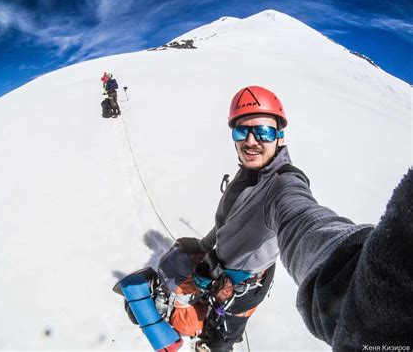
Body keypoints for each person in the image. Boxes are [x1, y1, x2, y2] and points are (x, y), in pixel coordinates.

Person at [176, 86, 413, 351]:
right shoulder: (246, 175)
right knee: (204, 307)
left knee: (218, 340)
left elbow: (303, 221)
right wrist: (204, 246)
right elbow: (226, 224)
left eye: (263, 132)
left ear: (280, 137)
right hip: (218, 271)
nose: (251, 141)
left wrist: (353, 280)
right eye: (242, 131)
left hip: (244, 289)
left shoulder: (283, 185)